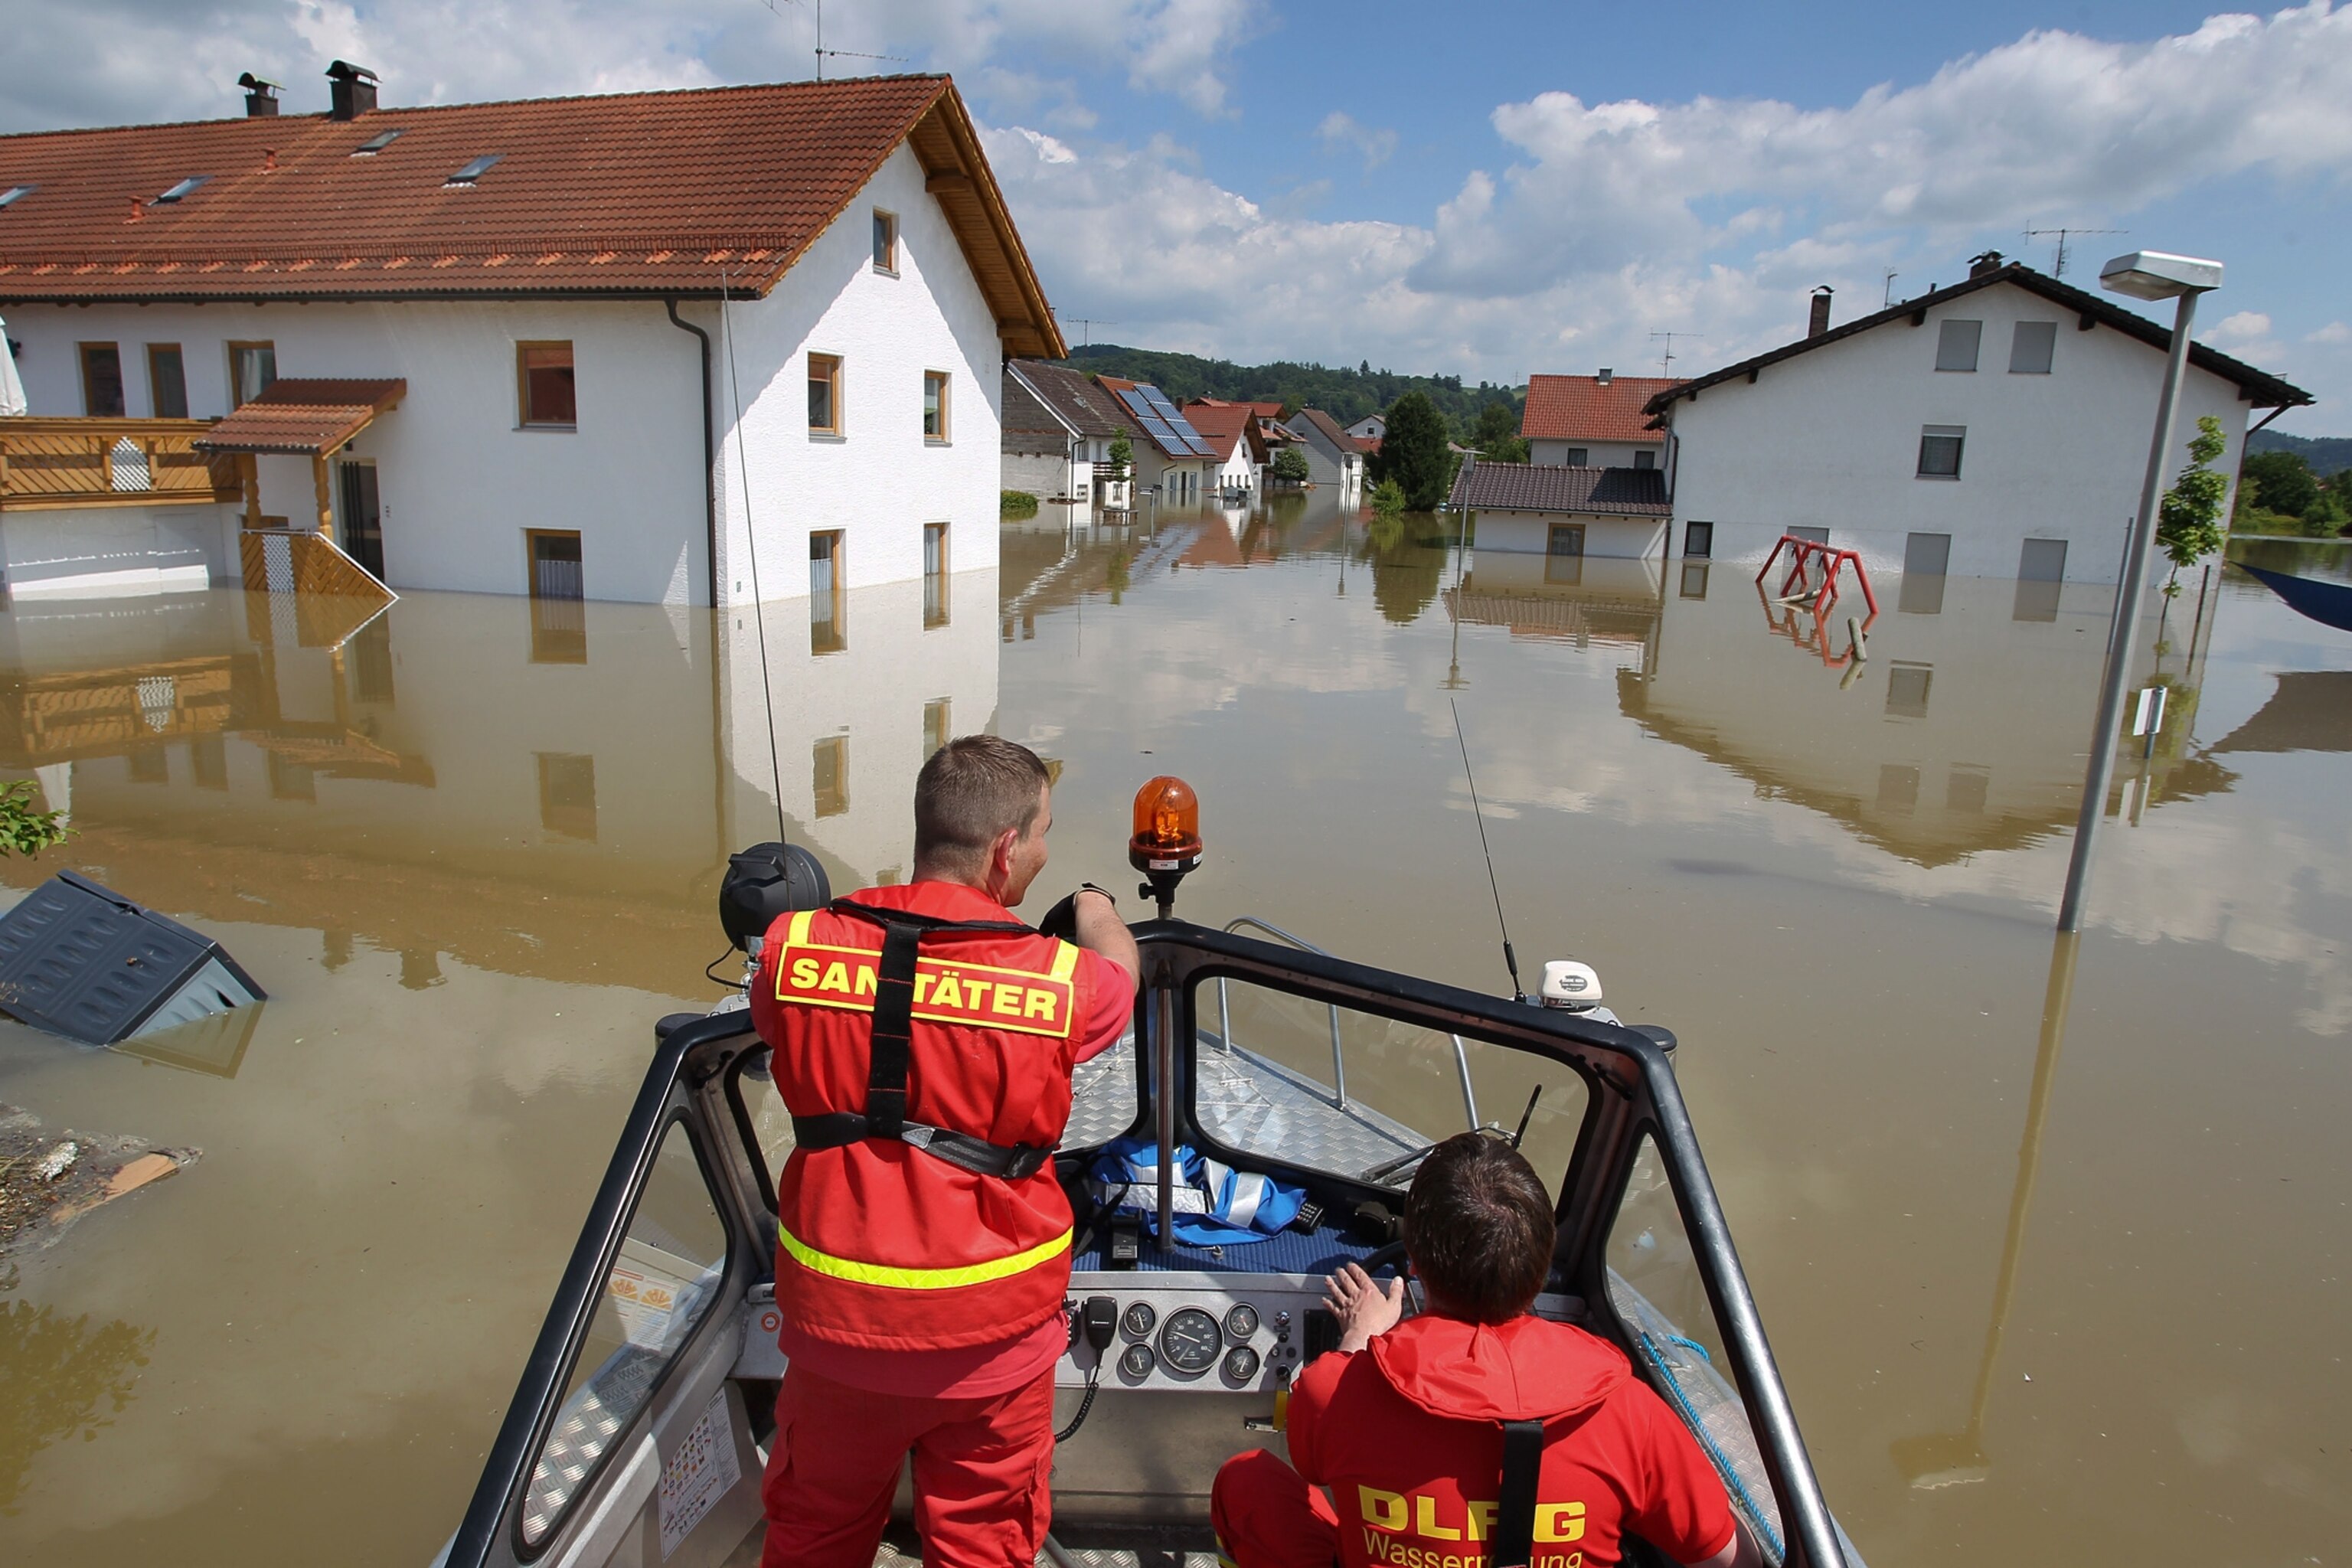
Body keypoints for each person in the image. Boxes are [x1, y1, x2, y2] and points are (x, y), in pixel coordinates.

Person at [750, 735, 1140, 1568]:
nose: (1041, 850)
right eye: (1041, 835)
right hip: (991, 1342)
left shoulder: (791, 946)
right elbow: (1122, 977)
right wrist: (1095, 905)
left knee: (812, 1534)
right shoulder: (1057, 983)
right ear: (1006, 851)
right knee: (983, 1543)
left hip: (834, 1326)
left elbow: (776, 1011)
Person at [1211, 1133, 1759, 1568]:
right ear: (1540, 1267)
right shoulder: (1629, 1411)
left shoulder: (1337, 1388)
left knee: (1246, 1479)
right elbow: (1728, 1559)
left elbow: (1311, 1465)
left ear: (1416, 1265)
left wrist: (1361, 1342)